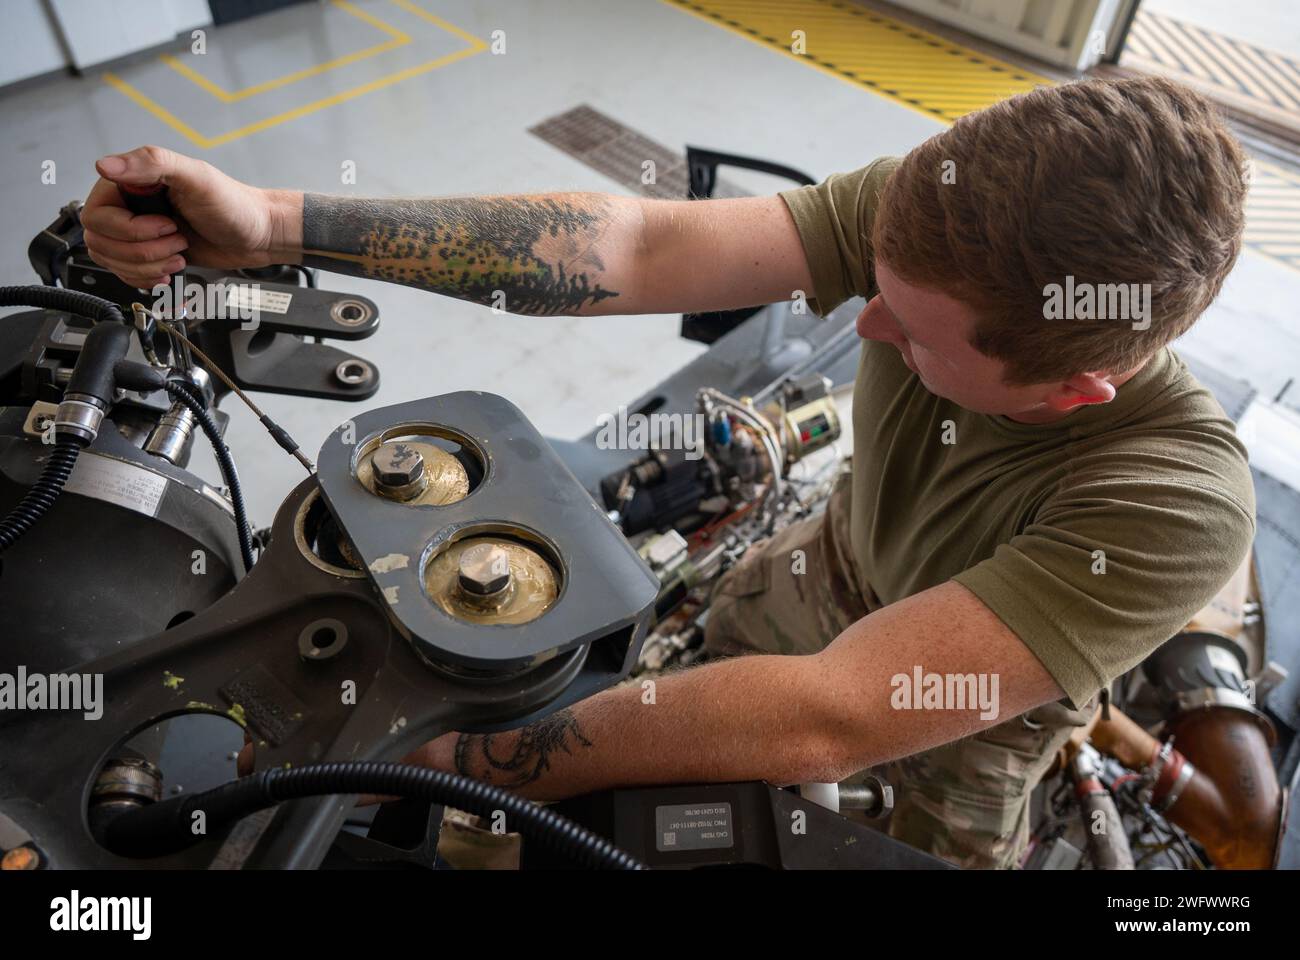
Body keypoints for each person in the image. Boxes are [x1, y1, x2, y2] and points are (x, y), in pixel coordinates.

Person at [82, 75, 1254, 868]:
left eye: (909, 328)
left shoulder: (1171, 504)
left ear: (1070, 392)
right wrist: (275, 220)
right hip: (818, 576)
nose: (869, 332)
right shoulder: (942, 215)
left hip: (943, 727)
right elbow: (635, 245)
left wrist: (450, 758)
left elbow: (832, 719)